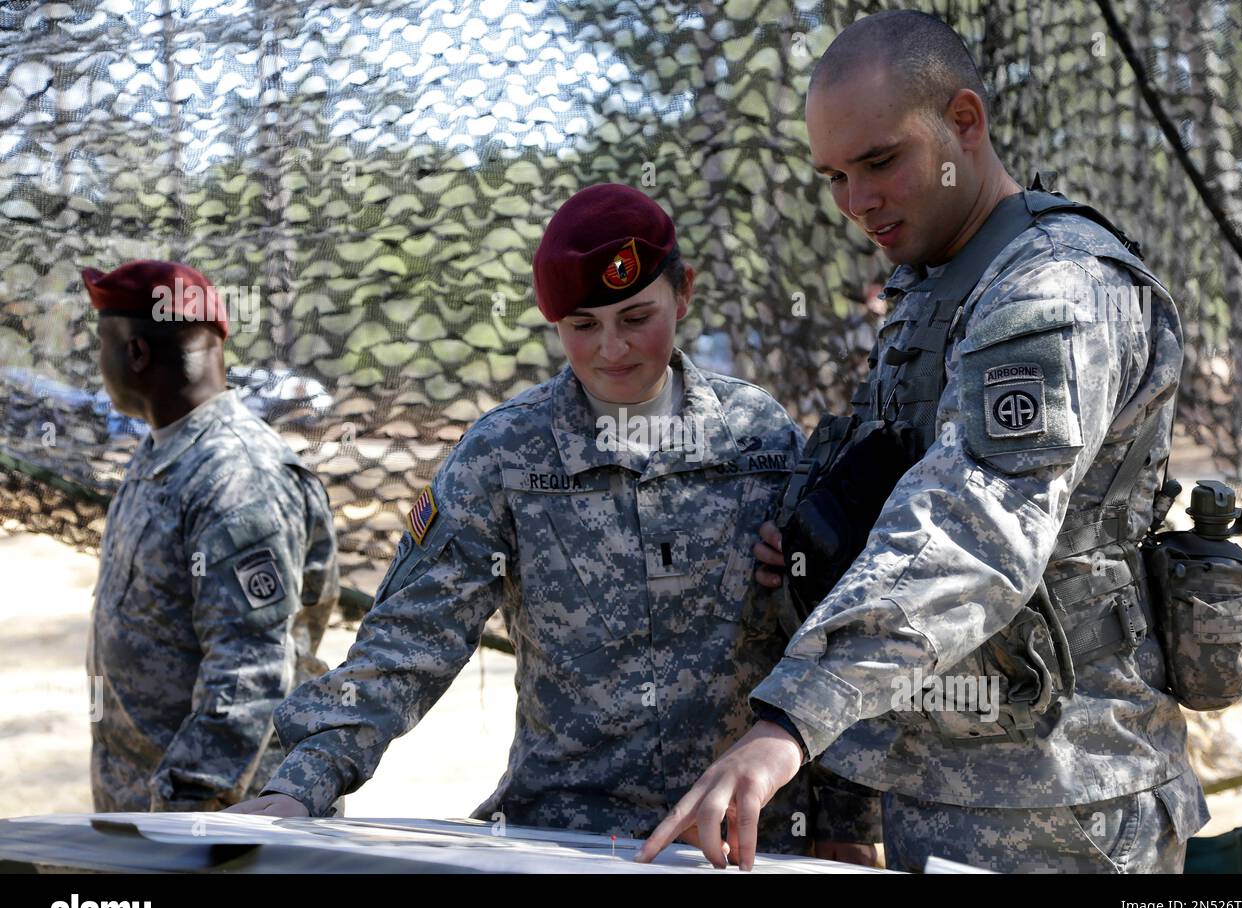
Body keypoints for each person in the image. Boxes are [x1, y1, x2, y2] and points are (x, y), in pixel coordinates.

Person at [639, 10, 1209, 873]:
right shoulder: (934, 282)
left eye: (879, 161)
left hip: (1064, 799)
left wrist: (792, 717)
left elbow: (975, 527)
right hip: (944, 776)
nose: (856, 201)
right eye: (833, 175)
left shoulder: (1052, 290)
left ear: (965, 123)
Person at [228, 184, 878, 862]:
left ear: (683, 293)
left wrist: (845, 822)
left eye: (636, 316)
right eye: (583, 325)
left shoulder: (760, 441)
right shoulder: (504, 457)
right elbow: (409, 639)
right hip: (566, 838)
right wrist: (300, 786)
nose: (612, 349)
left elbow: (827, 629)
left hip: (742, 840)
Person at [83, 259, 339, 812]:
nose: (97, 363)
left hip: (218, 825)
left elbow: (249, 667)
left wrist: (184, 814)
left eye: (100, 344)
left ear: (135, 352)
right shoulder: (166, 452)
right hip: (145, 809)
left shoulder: (237, 476)